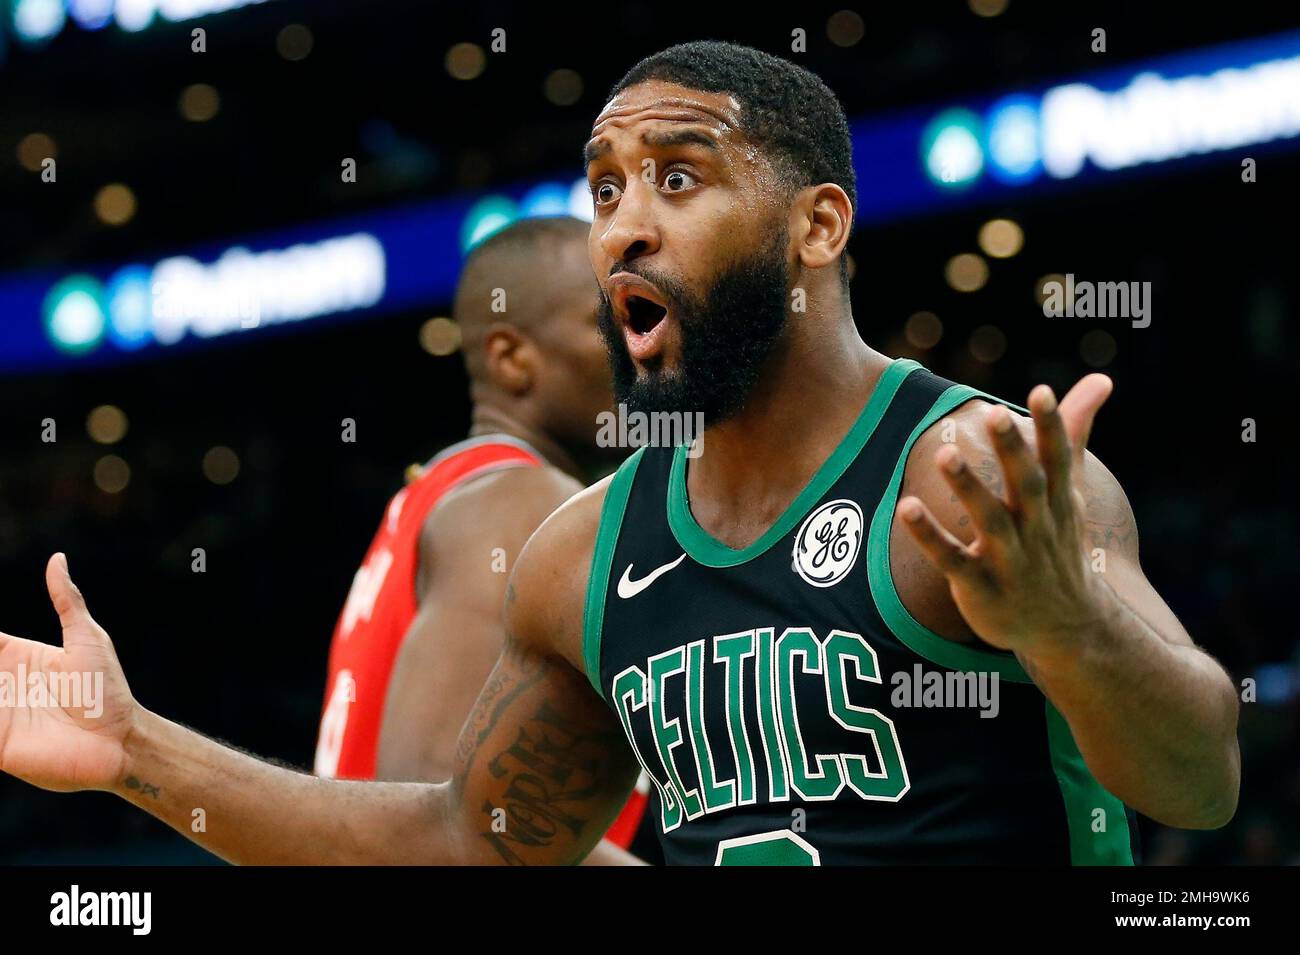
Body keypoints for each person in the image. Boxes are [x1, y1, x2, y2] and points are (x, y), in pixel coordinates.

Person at [0, 42, 1239, 865]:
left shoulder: (968, 470)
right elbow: (462, 846)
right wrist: (133, 750)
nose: (625, 228)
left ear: (816, 226)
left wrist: (1070, 629)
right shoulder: (581, 553)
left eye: (679, 178)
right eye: (603, 190)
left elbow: (1198, 779)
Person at [312, 216, 650, 863]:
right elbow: (440, 809)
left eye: (643, 313)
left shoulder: (448, 493)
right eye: (605, 321)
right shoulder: (520, 501)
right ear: (511, 357)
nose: (640, 345)